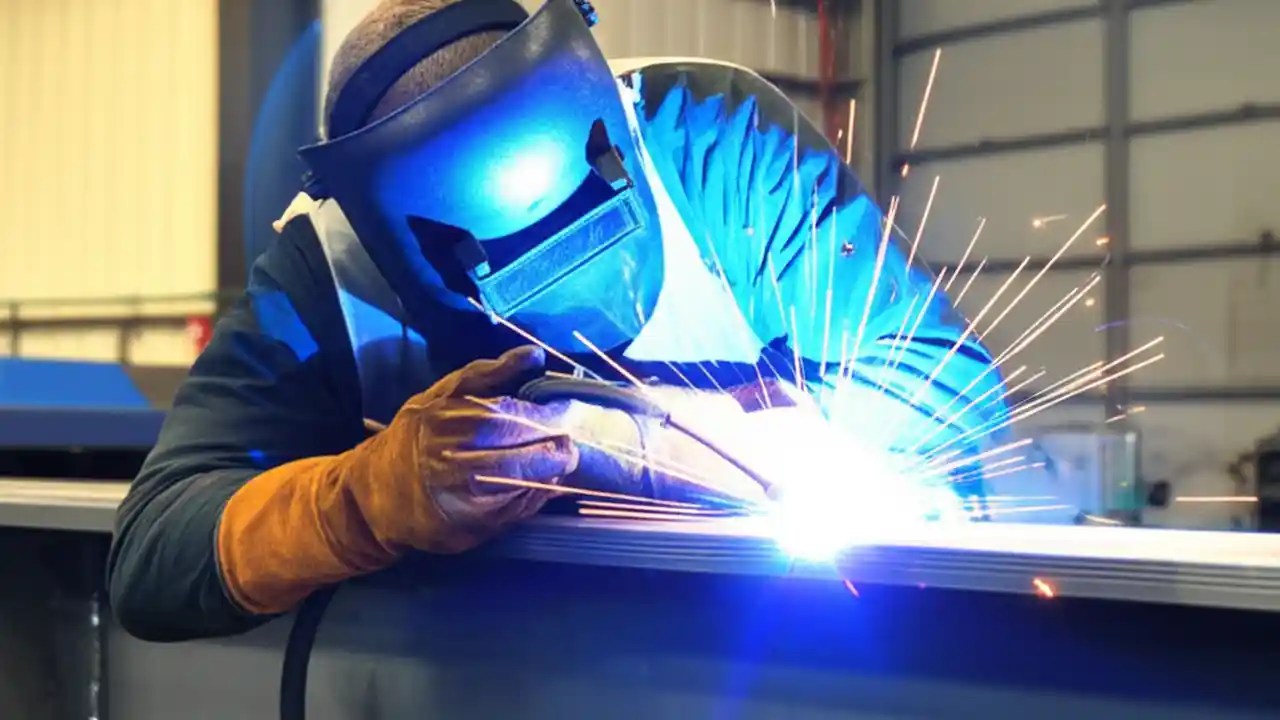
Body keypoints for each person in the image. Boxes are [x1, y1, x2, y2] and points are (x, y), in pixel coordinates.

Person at [108, 0, 1005, 642]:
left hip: (801, 650)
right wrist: (358, 501)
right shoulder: (327, 272)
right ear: (400, 237)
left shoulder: (711, 143)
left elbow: (950, 397)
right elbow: (151, 556)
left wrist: (642, 442)